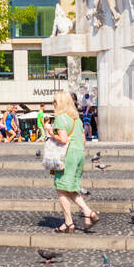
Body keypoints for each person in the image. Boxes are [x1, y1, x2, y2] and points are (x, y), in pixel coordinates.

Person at [46, 91, 96, 232]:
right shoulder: (77, 119)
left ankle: (86, 212)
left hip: (68, 156)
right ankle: (69, 222)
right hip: (79, 154)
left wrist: (50, 133)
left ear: (60, 103)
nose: (53, 104)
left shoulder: (61, 118)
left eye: (55, 102)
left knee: (60, 188)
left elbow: (63, 139)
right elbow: (84, 140)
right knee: (70, 188)